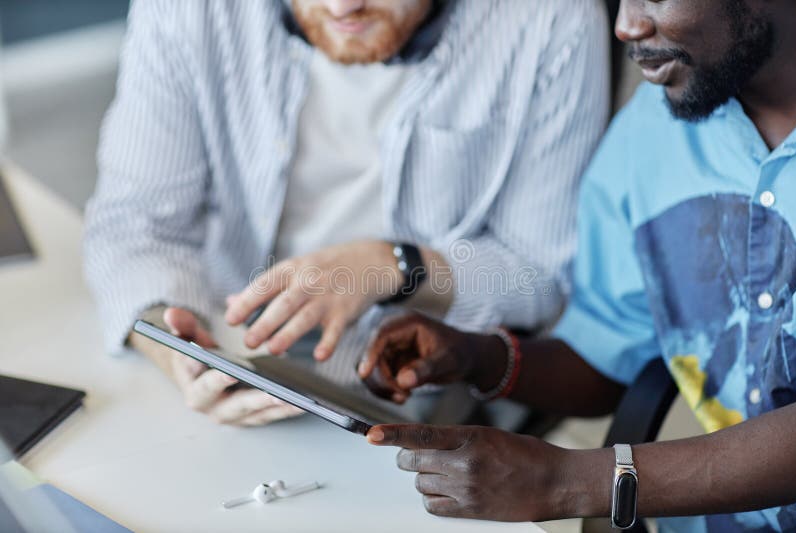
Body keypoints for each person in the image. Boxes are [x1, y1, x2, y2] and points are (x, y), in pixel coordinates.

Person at [359, 0, 796, 530]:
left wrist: (573, 481)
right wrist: (475, 355)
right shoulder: (651, 134)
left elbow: (575, 479)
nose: (625, 25)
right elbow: (608, 354)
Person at [83, 0, 609, 426]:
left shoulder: (552, 20)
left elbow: (539, 275)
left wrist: (395, 266)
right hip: (221, 351)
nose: (342, 7)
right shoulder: (188, 10)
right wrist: (174, 350)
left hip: (408, 404)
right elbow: (133, 224)